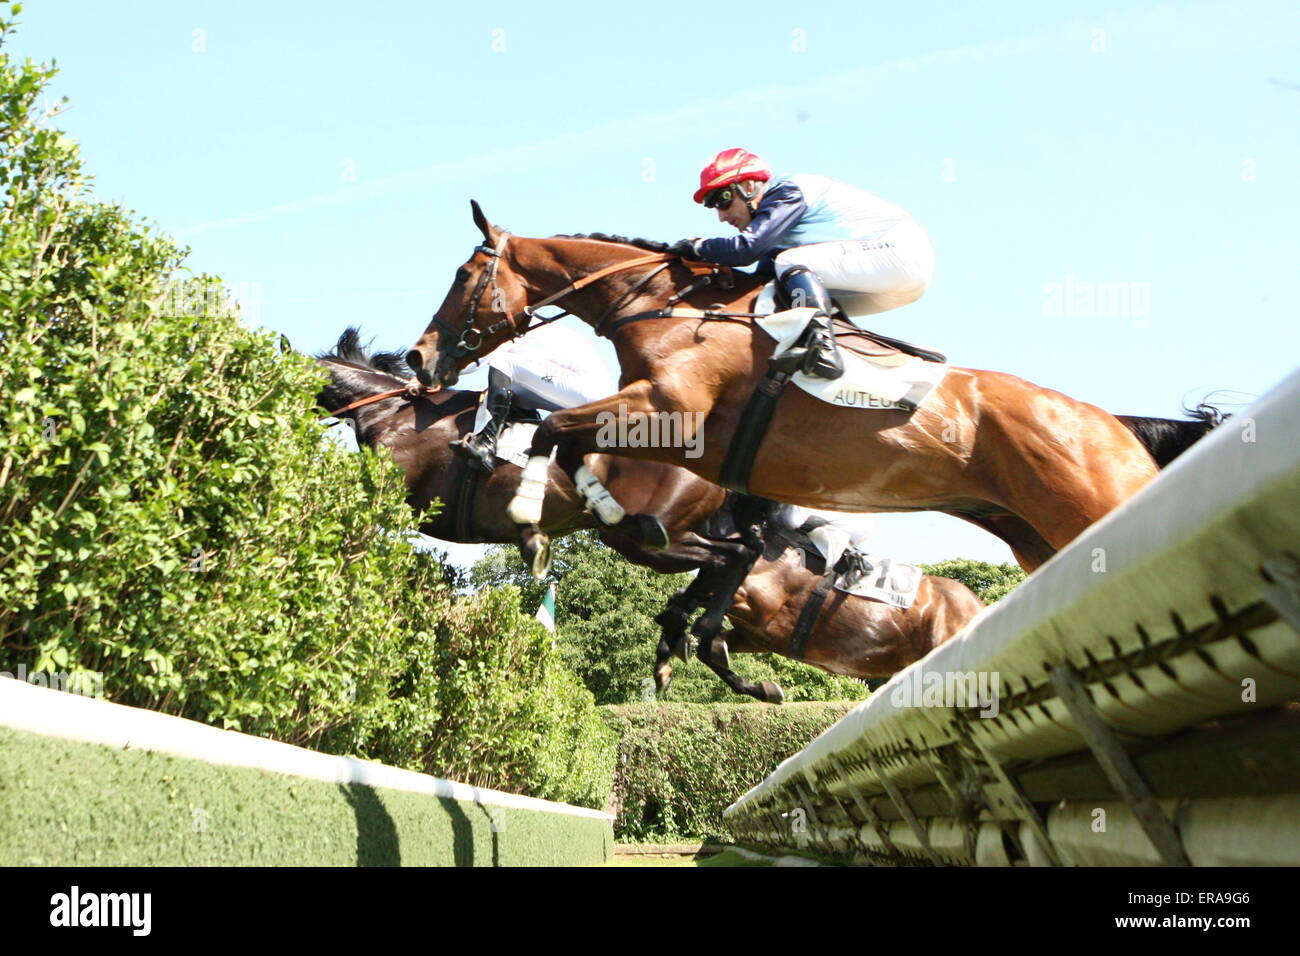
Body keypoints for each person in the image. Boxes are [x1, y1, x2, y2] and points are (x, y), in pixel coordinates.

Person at [669, 148, 935, 380]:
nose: (721, 216)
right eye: (712, 206)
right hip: (889, 282)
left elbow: (746, 250)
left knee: (791, 261)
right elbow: (757, 283)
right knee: (771, 299)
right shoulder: (776, 226)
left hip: (897, 255)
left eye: (722, 200)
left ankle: (822, 350)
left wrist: (699, 246)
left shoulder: (786, 191)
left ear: (749, 186)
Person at [450, 321, 618, 473]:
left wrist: (435, 378)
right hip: (587, 398)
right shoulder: (532, 326)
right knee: (511, 385)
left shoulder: (514, 328)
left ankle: (486, 443)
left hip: (591, 395)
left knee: (503, 363)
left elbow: (472, 362)